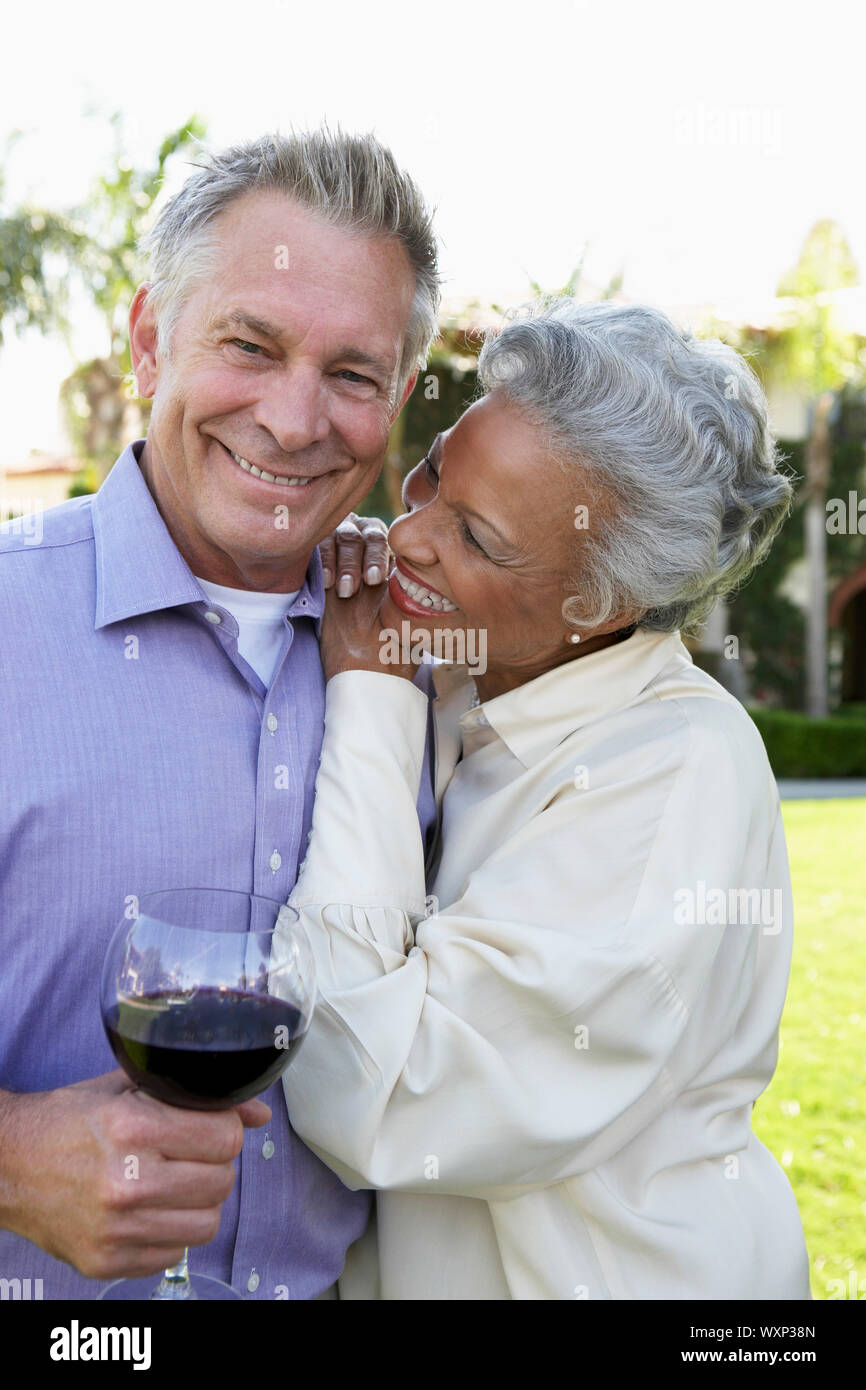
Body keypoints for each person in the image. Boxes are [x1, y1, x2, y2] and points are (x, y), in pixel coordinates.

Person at [279, 298, 813, 1300]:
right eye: (434, 467)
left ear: (599, 603)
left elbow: (368, 1093)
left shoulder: (671, 772)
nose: (413, 532)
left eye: (475, 536)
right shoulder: (468, 676)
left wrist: (371, 698)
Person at [0, 128, 441, 1299]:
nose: (296, 423)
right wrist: (7, 1162)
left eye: (353, 374)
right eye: (249, 345)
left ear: (397, 394)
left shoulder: (433, 669)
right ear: (150, 337)